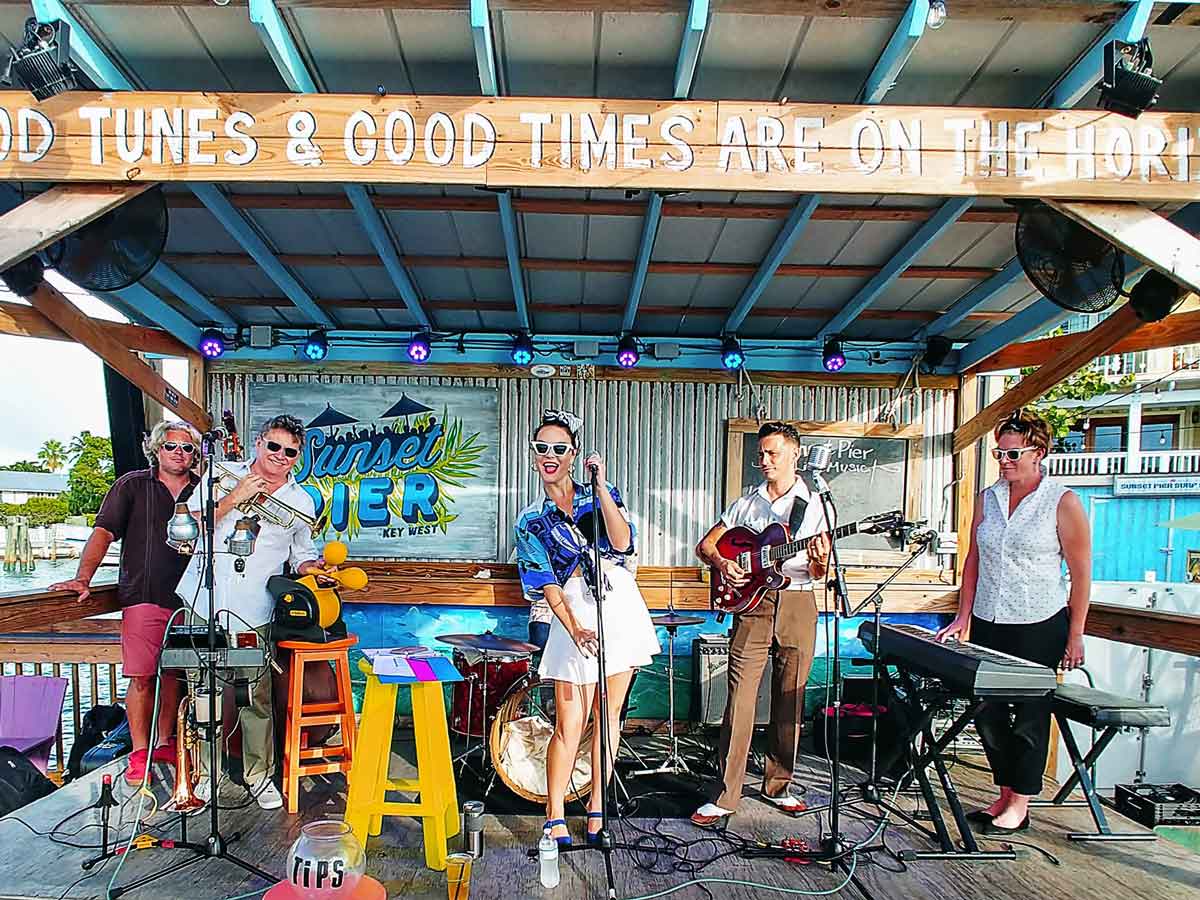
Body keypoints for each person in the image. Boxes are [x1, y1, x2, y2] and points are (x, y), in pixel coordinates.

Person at [937, 409, 1091, 835]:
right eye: (998, 453)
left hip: (1039, 622)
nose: (1003, 461)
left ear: (1038, 452)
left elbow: (1080, 573)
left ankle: (1020, 802)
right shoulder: (988, 497)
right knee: (986, 709)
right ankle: (1004, 790)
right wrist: (963, 616)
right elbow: (973, 559)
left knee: (1028, 713)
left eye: (1012, 453)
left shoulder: (1062, 501)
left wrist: (1075, 633)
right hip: (989, 617)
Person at [514, 409, 660, 846]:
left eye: (559, 448)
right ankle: (554, 812)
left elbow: (622, 542)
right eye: (542, 448)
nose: (550, 455)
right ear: (534, 455)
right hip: (572, 609)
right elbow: (544, 584)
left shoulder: (601, 493)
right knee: (569, 723)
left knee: (609, 717)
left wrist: (600, 489)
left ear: (574, 454)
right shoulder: (530, 521)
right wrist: (574, 627)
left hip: (618, 602)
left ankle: (597, 807)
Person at [176, 414, 332, 811]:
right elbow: (186, 529)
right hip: (202, 599)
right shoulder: (222, 475)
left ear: (298, 456)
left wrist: (314, 570)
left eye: (290, 451)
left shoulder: (300, 500)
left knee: (254, 696)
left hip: (254, 607)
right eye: (273, 446)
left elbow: (301, 555)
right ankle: (206, 776)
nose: (280, 456)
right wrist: (235, 497)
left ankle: (258, 776)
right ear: (258, 443)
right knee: (203, 694)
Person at [691, 421, 831, 826]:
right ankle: (725, 793)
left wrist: (820, 557)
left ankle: (779, 784)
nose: (765, 460)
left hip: (798, 601)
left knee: (790, 698)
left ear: (795, 455)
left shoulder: (817, 506)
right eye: (762, 453)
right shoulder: (746, 503)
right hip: (751, 605)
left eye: (773, 453)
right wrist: (724, 564)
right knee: (740, 699)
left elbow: (820, 570)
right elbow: (707, 545)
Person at [51, 421, 202, 786]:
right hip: (143, 596)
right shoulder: (132, 485)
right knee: (141, 676)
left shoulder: (203, 491)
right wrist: (82, 578)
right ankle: (138, 751)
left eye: (188, 448)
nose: (179, 453)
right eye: (171, 446)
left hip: (191, 598)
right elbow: (103, 531)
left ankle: (165, 742)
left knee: (173, 675)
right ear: (156, 449)